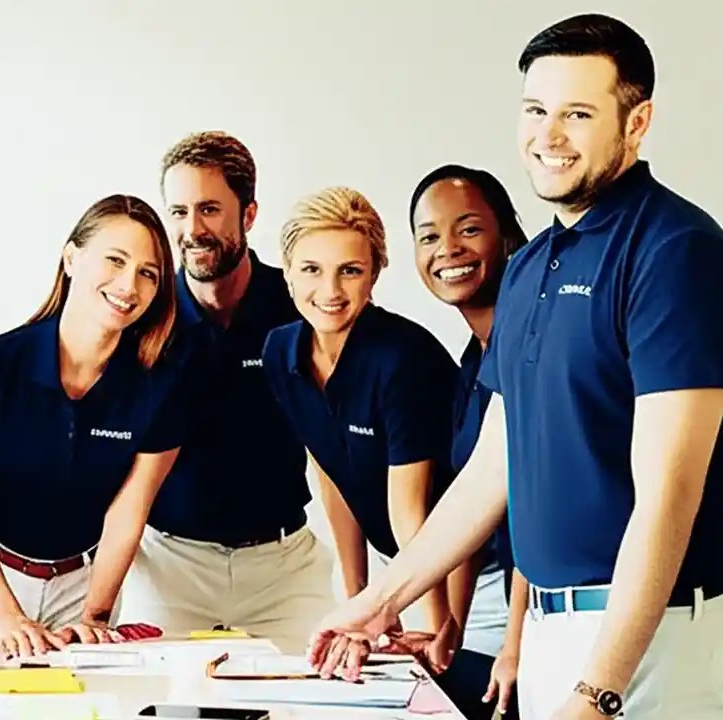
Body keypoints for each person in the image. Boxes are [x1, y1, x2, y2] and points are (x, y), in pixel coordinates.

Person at [309, 14, 723, 720]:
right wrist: (375, 604)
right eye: (536, 110)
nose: (548, 136)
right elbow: (493, 467)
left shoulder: (675, 251)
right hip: (548, 635)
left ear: (637, 123)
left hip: (650, 642)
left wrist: (599, 689)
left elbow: (670, 494)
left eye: (577, 113)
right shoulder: (530, 265)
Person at [0, 194, 186, 658]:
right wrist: (7, 616)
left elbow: (127, 515)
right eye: (115, 260)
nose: (128, 284)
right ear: (71, 258)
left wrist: (95, 616)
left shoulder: (158, 388)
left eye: (147, 273)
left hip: (82, 586)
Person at [117, 131, 332, 653]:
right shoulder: (142, 314)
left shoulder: (298, 304)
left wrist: (367, 591)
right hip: (167, 567)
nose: (193, 230)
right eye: (179, 211)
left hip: (282, 568)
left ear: (249, 214)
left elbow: (336, 452)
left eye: (210, 209)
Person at [260, 187, 467, 670]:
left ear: (374, 274)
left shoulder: (402, 358)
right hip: (404, 565)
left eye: (349, 271)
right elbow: (332, 470)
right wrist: (355, 598)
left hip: (463, 566)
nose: (330, 292)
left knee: (444, 689)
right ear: (287, 272)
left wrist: (431, 628)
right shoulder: (280, 353)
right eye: (311, 269)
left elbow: (410, 510)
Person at [409, 165, 531, 718]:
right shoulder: (471, 360)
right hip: (491, 599)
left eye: (468, 229)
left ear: (505, 235)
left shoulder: (530, 339)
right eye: (429, 236)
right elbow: (469, 508)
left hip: (543, 607)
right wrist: (449, 627)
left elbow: (533, 501)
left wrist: (515, 640)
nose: (447, 249)